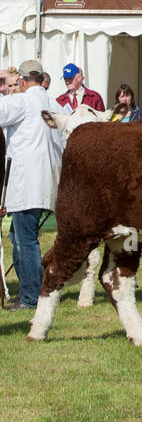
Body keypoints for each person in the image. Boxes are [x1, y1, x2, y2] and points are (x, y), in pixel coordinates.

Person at [0, 60, 63, 311]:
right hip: (47, 180)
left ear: (24, 81)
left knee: (25, 240)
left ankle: (31, 297)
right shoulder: (54, 103)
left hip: (27, 182)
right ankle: (29, 289)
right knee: (19, 236)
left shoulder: (23, 101)